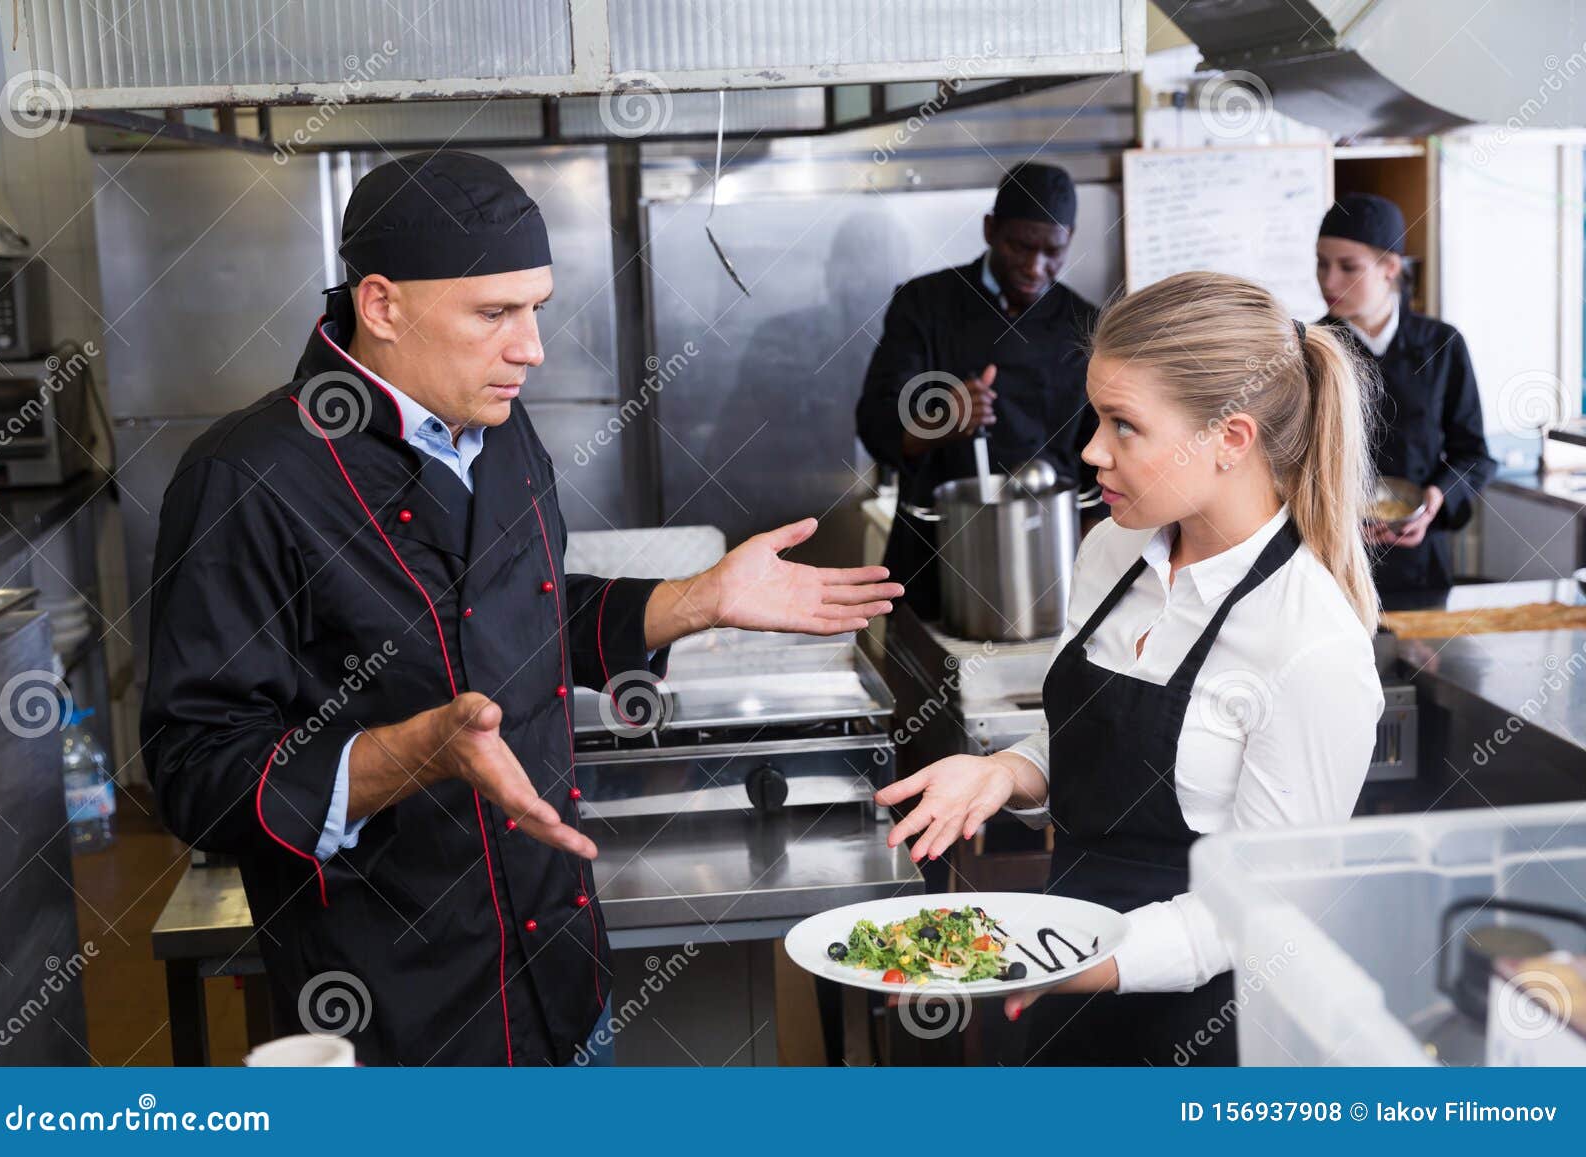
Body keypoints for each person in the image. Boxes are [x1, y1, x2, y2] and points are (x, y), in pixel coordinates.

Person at [142, 151, 901, 1066]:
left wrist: (692, 601)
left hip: (564, 979)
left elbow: (516, 615)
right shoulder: (248, 479)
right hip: (397, 1020)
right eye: (494, 313)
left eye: (536, 308)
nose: (531, 349)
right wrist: (418, 751)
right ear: (380, 305)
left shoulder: (498, 426)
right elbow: (196, 773)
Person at [873, 272, 1385, 1065]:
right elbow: (1094, 743)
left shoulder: (1311, 644)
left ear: (1231, 438)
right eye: (1096, 417)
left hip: (1213, 1038)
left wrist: (1059, 960)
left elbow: (1260, 911)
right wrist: (1004, 772)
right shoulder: (1111, 549)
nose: (1091, 450)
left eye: (1124, 425)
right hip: (1067, 989)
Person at [856, 161, 1100, 619]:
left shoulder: (1085, 324)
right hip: (934, 557)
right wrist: (938, 421)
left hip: (1050, 560)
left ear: (1069, 239)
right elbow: (874, 423)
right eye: (1020, 246)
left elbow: (1100, 464)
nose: (1035, 267)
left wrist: (1090, 582)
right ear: (990, 230)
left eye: (1053, 252)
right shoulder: (924, 303)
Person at [1317, 191, 1495, 591]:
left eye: (1348, 267)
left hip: (1421, 561)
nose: (1329, 281)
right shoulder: (1312, 348)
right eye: (1321, 263)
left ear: (1390, 268)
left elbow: (1474, 456)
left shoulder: (1442, 345)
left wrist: (1436, 499)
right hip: (1332, 558)